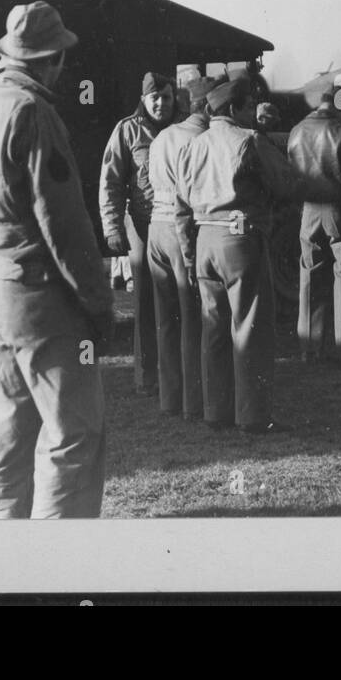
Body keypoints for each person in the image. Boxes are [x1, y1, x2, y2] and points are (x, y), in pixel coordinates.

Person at [0, 1, 112, 518]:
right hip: (34, 293)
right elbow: (63, 222)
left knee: (9, 434)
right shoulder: (34, 114)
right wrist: (98, 302)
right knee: (73, 435)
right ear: (51, 59)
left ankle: (5, 558)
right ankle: (57, 567)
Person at [174, 78, 297, 432]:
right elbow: (284, 183)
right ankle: (253, 416)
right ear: (233, 109)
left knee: (213, 329)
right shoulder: (248, 140)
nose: (251, 114)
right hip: (239, 237)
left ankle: (216, 411)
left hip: (204, 241)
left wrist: (188, 251)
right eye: (247, 107)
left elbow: (182, 204)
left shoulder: (193, 147)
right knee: (250, 326)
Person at [146, 75, 220, 418]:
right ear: (206, 106)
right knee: (192, 317)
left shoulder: (163, 136)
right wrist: (190, 255)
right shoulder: (202, 138)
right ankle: (194, 402)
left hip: (155, 230)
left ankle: (169, 398)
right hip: (181, 230)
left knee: (165, 320)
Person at [100, 71, 176, 395]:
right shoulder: (127, 130)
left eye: (166, 97)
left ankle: (177, 373)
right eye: (154, 97)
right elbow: (111, 181)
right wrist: (113, 227)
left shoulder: (183, 129)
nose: (160, 103)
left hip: (176, 225)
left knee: (181, 299)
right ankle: (146, 377)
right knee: (145, 302)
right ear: (144, 99)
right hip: (142, 224)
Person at [286, 86, 341, 362]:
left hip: (308, 211)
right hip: (339, 210)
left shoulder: (297, 129)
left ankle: (309, 349)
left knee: (310, 276)